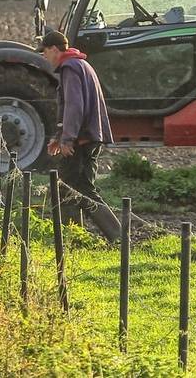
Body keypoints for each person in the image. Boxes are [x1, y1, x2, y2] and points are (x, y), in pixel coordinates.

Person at [37, 30, 121, 242]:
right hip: (91, 137)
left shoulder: (70, 68)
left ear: (54, 49)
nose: (44, 57)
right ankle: (77, 236)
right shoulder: (81, 64)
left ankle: (113, 236)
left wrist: (67, 139)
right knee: (79, 188)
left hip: (81, 140)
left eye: (45, 52)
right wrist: (59, 136)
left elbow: (74, 106)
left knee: (71, 188)